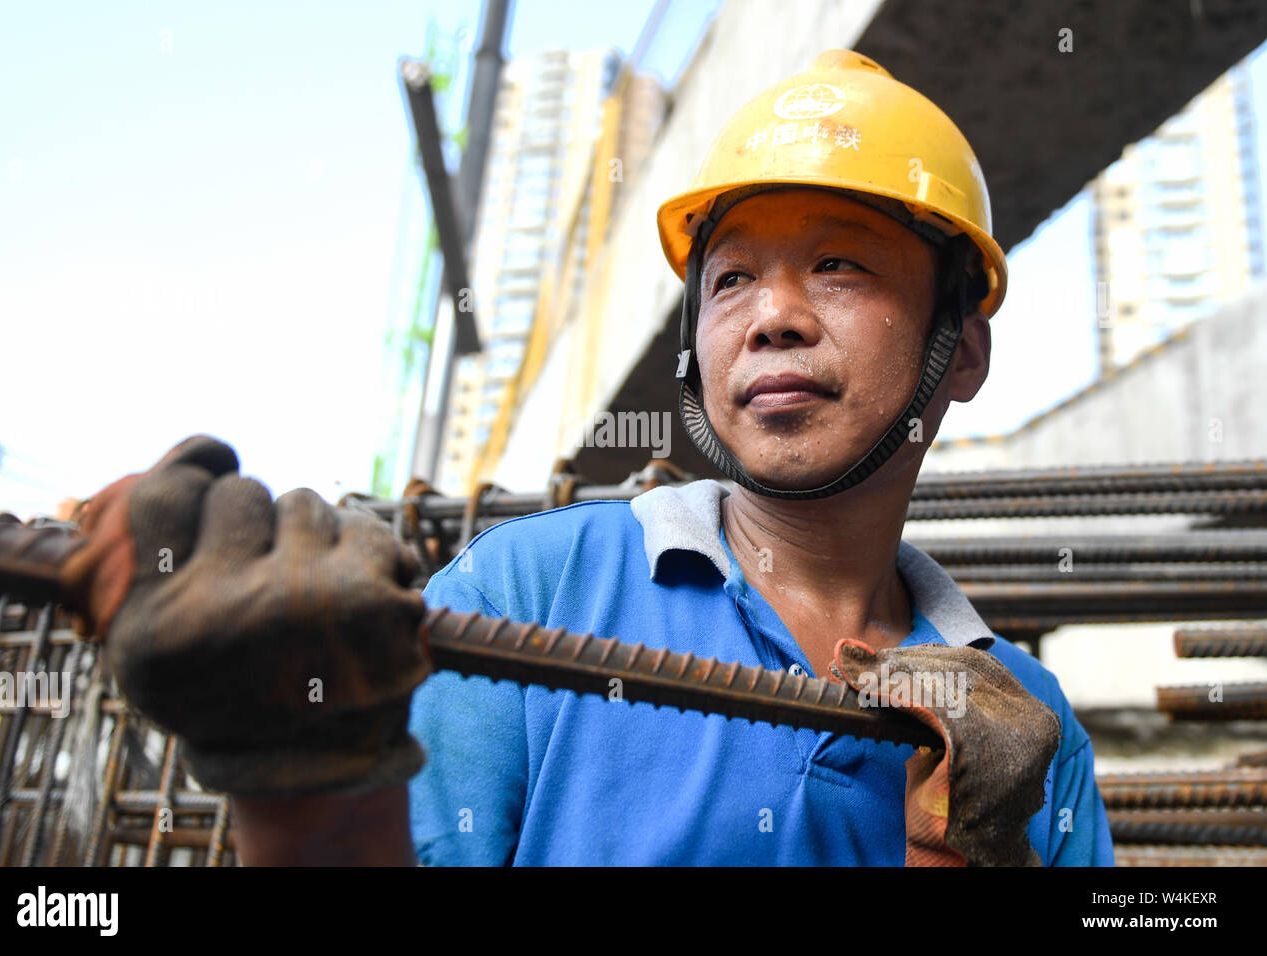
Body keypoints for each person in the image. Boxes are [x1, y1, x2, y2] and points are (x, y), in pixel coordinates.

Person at [65, 50, 1113, 866]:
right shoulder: (528, 591)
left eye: (838, 265)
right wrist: (303, 782)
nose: (772, 317)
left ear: (960, 350)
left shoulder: (1024, 720)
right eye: (731, 279)